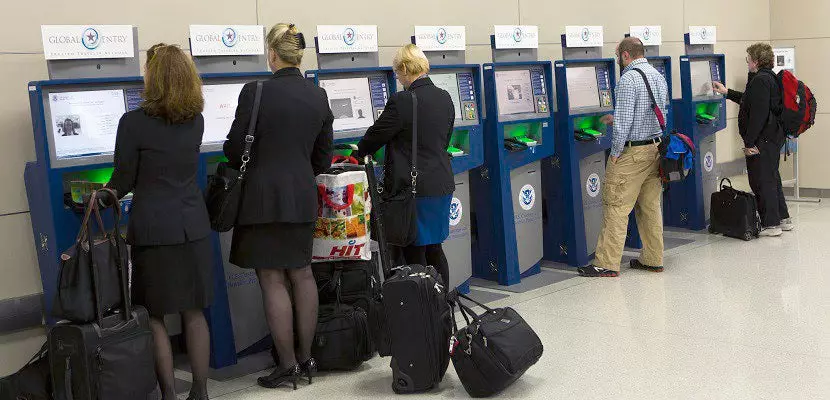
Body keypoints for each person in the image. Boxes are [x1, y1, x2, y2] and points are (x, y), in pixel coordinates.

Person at [223, 23, 333, 390]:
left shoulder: (255, 92)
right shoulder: (318, 96)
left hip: (262, 199)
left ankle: (286, 365)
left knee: (271, 279)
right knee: (302, 274)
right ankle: (308, 358)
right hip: (302, 196)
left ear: (272, 54)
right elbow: (323, 157)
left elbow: (236, 148)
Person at [104, 44, 213, 400]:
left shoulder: (132, 124)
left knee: (155, 316)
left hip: (154, 230)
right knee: (194, 312)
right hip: (192, 225)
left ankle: (169, 395)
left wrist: (97, 195)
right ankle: (200, 391)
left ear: (154, 78)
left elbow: (123, 179)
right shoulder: (195, 120)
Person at [356, 44, 455, 285]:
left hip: (413, 192)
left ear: (403, 68)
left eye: (397, 73)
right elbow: (444, 138)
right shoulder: (445, 97)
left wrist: (357, 152)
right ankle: (441, 307)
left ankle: (421, 311)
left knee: (413, 253)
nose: (398, 78)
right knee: (434, 249)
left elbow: (374, 137)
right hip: (441, 186)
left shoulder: (403, 101)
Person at [578, 37, 667, 278]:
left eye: (618, 55)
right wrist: (616, 118)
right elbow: (657, 114)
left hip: (632, 153)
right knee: (650, 207)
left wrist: (616, 153)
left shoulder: (628, 79)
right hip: (655, 149)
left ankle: (606, 263)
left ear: (626, 55)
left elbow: (625, 125)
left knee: (616, 206)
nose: (618, 59)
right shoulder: (656, 75)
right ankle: (652, 258)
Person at [713, 43, 792, 236]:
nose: (746, 61)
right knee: (772, 178)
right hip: (772, 139)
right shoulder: (768, 78)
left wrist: (750, 143)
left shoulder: (760, 81)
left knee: (761, 180)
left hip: (762, 141)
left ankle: (771, 224)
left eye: (748, 58)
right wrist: (727, 92)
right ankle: (783, 218)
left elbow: (757, 115)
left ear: (756, 61)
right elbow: (750, 101)